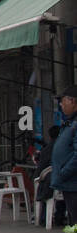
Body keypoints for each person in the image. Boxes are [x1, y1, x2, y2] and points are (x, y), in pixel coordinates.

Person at [45, 85, 77, 223]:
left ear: (73, 101)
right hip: (70, 182)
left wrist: (64, 172)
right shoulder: (70, 122)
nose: (61, 104)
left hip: (73, 182)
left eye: (63, 101)